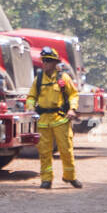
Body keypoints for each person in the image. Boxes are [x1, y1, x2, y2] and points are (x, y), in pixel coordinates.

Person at [26, 45, 83, 190]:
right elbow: (31, 96)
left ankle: (70, 177)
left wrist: (72, 109)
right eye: (44, 60)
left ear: (54, 63)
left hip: (60, 119)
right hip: (43, 121)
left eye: (48, 60)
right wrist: (31, 107)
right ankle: (46, 180)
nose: (45, 63)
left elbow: (73, 94)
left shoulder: (63, 78)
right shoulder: (38, 79)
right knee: (44, 152)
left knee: (66, 150)